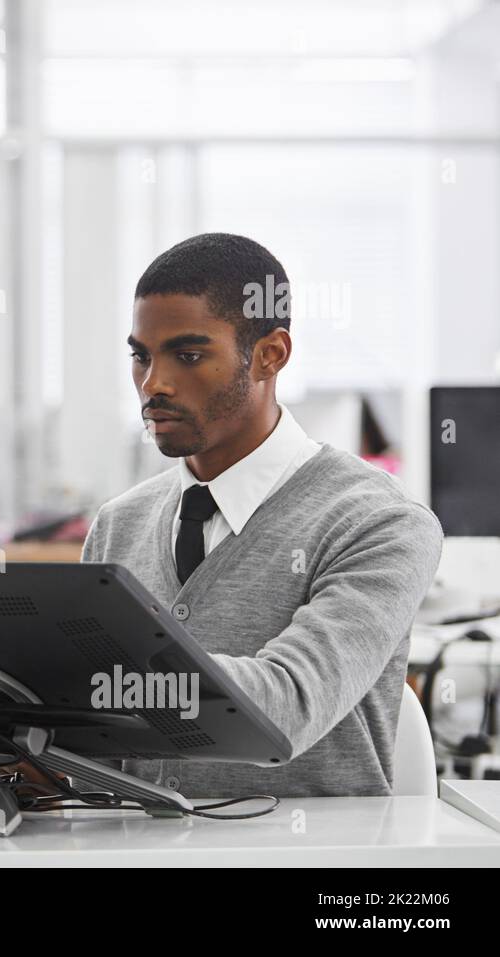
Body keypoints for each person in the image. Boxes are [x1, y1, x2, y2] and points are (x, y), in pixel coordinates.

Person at [81, 232, 442, 797]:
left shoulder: (379, 522)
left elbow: (291, 701)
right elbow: (88, 741)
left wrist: (79, 685)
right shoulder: (119, 524)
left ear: (270, 354)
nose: (153, 384)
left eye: (189, 355)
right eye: (141, 356)